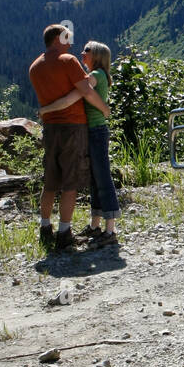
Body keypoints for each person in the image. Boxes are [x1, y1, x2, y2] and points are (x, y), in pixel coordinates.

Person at [27, 24, 107, 253]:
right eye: (67, 38)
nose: (71, 44)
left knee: (50, 180)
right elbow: (85, 90)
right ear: (57, 39)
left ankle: (45, 228)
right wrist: (104, 108)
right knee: (70, 182)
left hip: (50, 129)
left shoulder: (35, 67)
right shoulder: (68, 61)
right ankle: (64, 232)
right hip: (73, 127)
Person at [39, 41, 120, 248]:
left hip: (96, 131)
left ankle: (110, 229)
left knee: (102, 177)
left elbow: (70, 99)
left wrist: (46, 110)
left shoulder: (95, 77)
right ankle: (95, 226)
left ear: (97, 56)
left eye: (87, 51)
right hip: (92, 131)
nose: (82, 53)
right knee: (95, 178)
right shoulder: (98, 76)